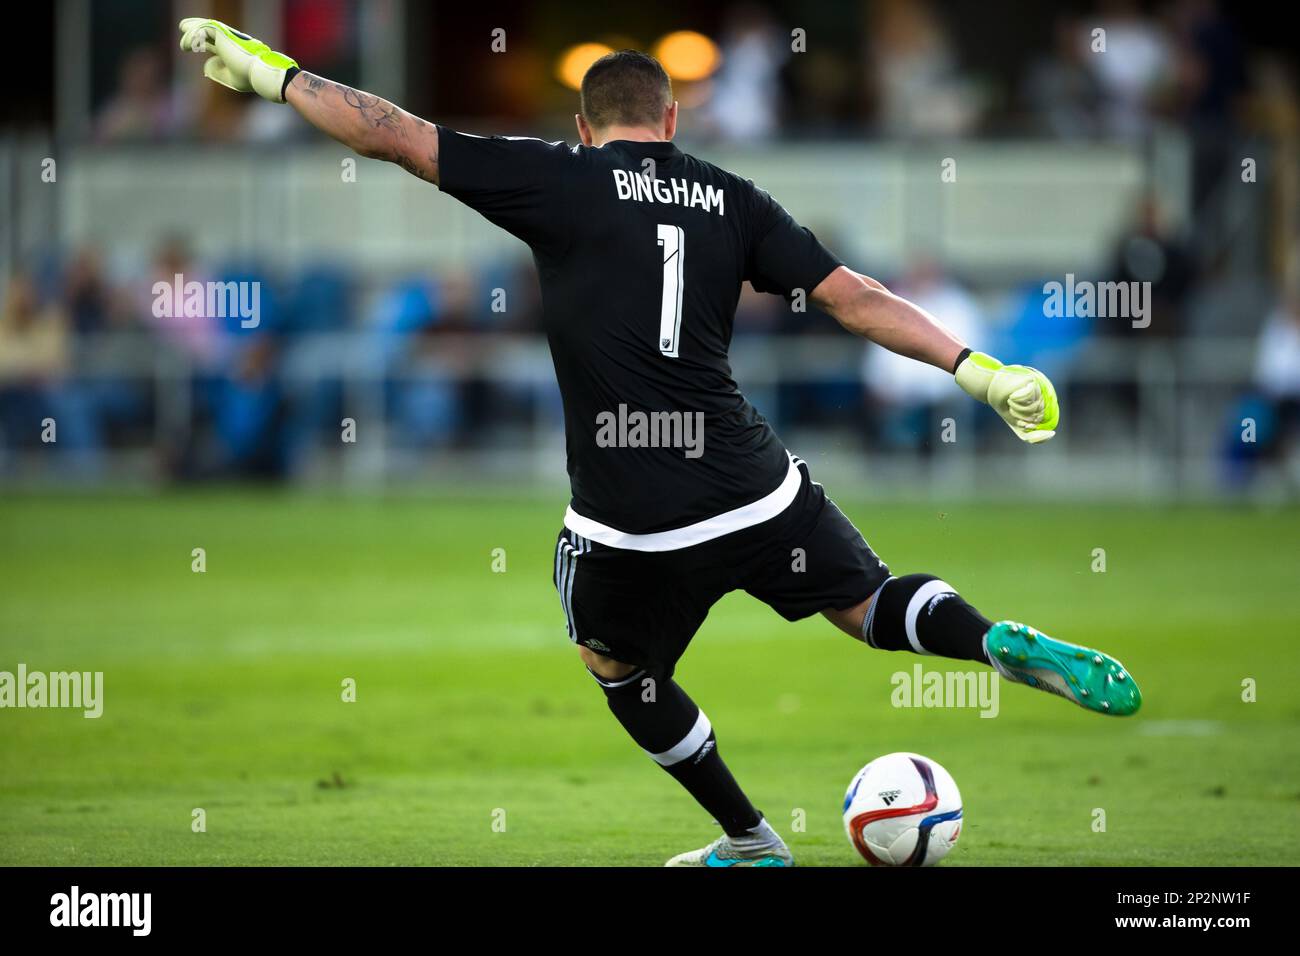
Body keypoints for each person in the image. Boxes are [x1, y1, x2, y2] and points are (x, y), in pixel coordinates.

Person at [179, 19, 1142, 866]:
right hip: (753, 483)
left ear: (586, 126)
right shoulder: (735, 198)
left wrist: (273, 75)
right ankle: (991, 642)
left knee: (620, 666)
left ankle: (753, 840)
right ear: (674, 122)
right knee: (865, 603)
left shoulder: (557, 177)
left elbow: (392, 135)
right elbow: (855, 298)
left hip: (630, 517)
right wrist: (980, 369)